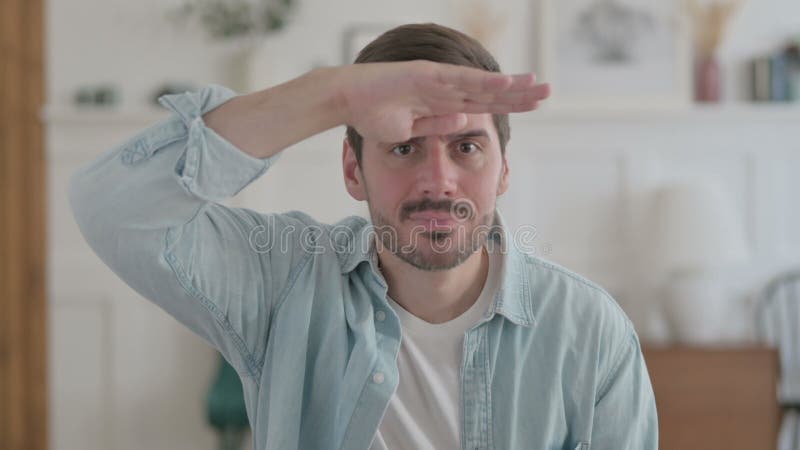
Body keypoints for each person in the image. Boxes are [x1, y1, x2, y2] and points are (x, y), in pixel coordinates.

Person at [69, 23, 657, 450]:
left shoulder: (589, 329)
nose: (437, 179)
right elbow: (113, 205)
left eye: (467, 147)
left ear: (504, 169)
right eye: (404, 148)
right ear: (354, 170)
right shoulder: (282, 288)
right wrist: (335, 95)